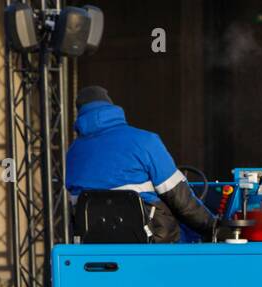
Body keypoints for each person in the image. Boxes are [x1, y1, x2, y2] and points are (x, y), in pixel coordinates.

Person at [65, 86, 217, 243]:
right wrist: (214, 227)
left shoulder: (73, 153)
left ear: (80, 115)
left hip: (95, 246)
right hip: (153, 244)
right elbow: (180, 199)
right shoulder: (145, 141)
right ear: (112, 109)